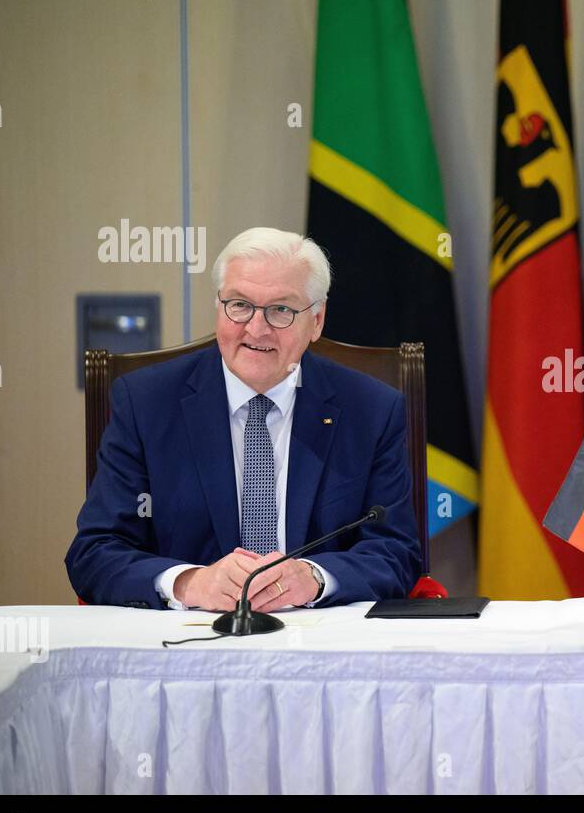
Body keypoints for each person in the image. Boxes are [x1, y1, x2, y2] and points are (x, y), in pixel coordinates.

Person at [66, 227, 421, 610]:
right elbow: (95, 552)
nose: (256, 328)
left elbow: (396, 551)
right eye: (239, 305)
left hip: (319, 642)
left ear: (316, 321)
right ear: (218, 307)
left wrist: (316, 579)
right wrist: (189, 583)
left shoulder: (371, 410)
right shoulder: (146, 404)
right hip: (183, 646)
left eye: (281, 310)